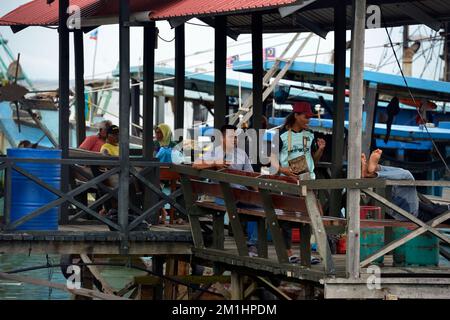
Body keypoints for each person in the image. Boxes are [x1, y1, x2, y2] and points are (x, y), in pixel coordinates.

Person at [275, 101, 326, 263]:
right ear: (296, 116)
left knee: (308, 216)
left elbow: (313, 160)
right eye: (306, 117)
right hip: (288, 181)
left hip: (308, 180)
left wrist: (320, 150)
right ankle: (288, 252)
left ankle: (306, 253)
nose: (308, 120)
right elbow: (272, 159)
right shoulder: (281, 134)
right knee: (287, 218)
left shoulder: (310, 135)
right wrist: (284, 171)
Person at [362, 149, 450, 222]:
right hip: (408, 211)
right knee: (401, 172)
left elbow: (433, 210)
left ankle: (373, 174)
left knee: (406, 176)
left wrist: (419, 201)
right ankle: (374, 169)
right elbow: (433, 208)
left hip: (412, 215)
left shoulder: (447, 215)